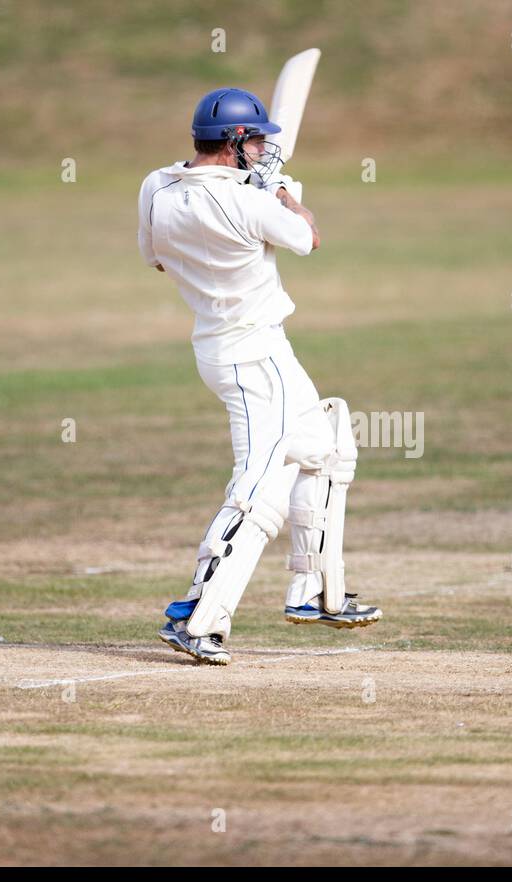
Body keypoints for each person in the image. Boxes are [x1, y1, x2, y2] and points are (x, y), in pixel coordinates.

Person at [137, 87, 381, 665]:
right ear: (234, 143)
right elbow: (310, 235)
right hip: (255, 358)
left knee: (327, 445)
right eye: (256, 139)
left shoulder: (156, 188)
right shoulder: (252, 205)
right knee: (257, 493)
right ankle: (198, 616)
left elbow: (156, 257)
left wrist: (256, 190)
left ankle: (315, 592)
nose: (266, 146)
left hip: (225, 346)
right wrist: (282, 192)